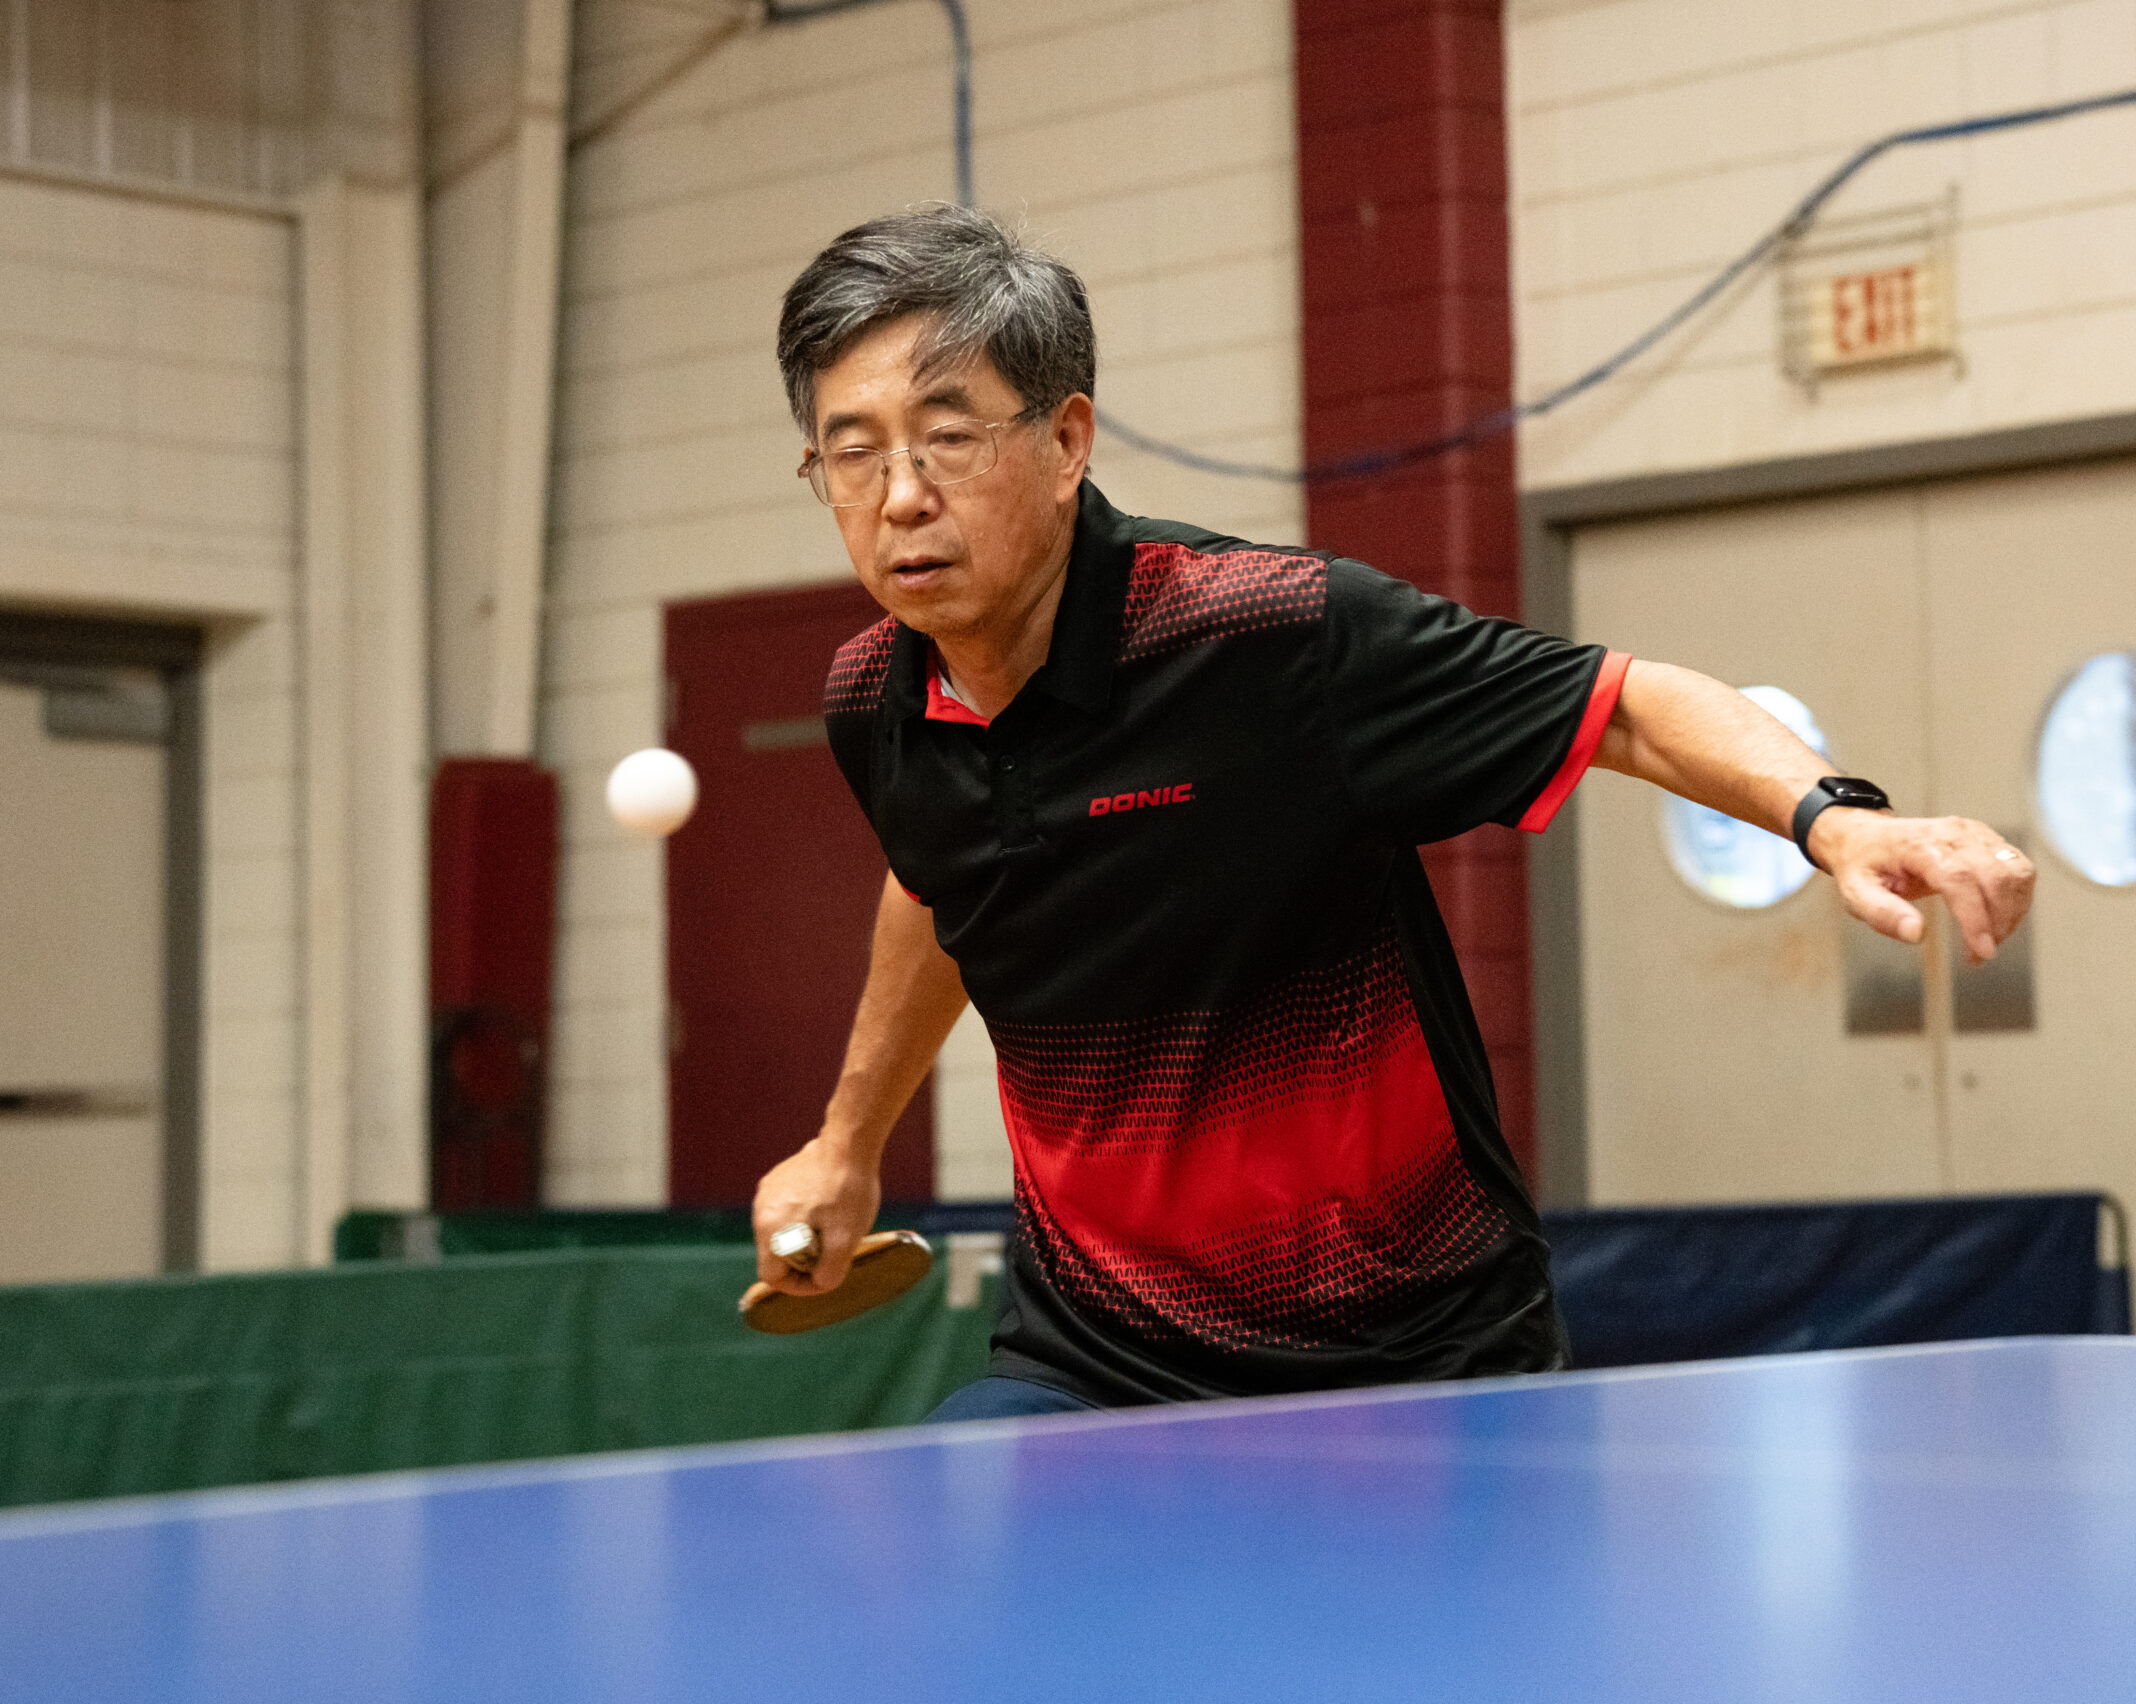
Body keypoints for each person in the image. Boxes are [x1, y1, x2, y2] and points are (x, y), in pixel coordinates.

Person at [745, 204, 2033, 1421]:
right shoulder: (878, 699)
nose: (900, 494)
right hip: (1098, 1361)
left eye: (947, 436)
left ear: (1068, 437)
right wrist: (846, 1140)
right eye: (851, 450)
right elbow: (943, 880)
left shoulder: (1268, 638)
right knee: (961, 1587)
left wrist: (1839, 820)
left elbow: (1626, 707)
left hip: (1408, 1358)